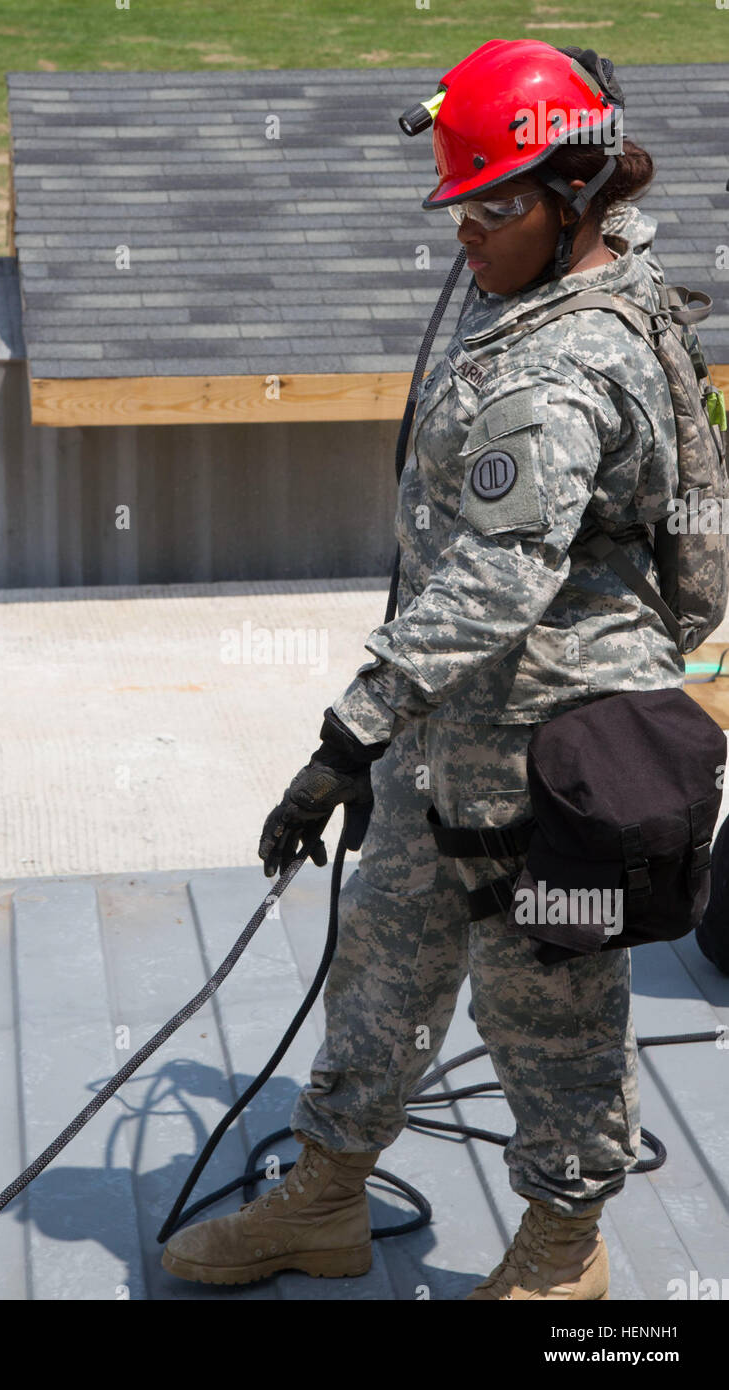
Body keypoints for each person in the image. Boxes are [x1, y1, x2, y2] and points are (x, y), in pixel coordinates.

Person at [162, 39, 686, 1299]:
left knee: (549, 1010)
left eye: (494, 207)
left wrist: (347, 733)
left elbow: (499, 577)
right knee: (381, 962)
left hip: (547, 766)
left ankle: (561, 1250)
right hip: (447, 732)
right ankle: (326, 1194)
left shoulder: (561, 367)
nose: (466, 231)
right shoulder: (550, 280)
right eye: (461, 204)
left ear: (572, 199)